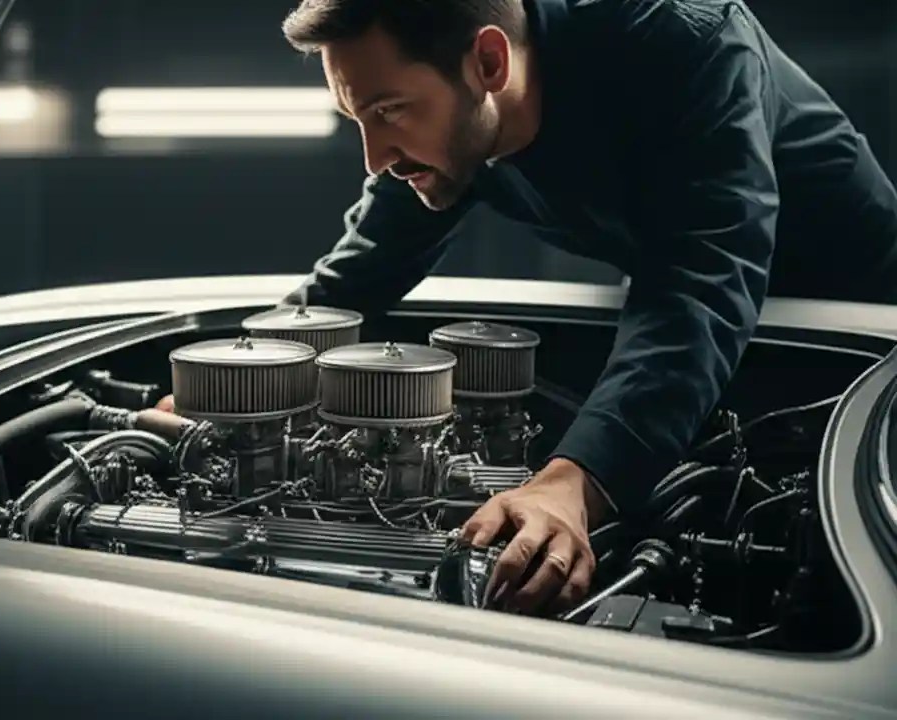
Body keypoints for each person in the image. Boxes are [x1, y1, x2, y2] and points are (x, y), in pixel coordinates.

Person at [276, 0, 897, 615]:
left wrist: (571, 483)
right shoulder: (447, 127)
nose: (375, 156)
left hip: (862, 349)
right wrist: (260, 373)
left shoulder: (687, 41)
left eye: (388, 110)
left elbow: (698, 284)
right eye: (360, 118)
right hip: (700, 356)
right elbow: (365, 265)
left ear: (490, 63)